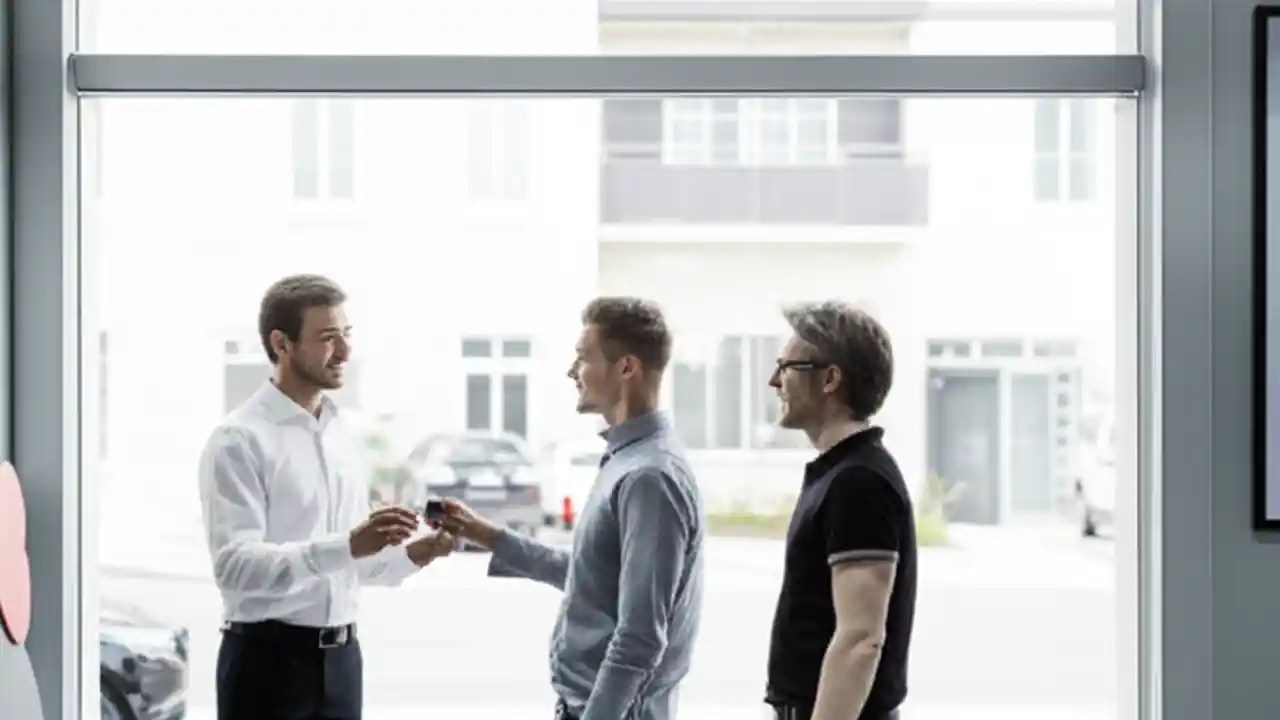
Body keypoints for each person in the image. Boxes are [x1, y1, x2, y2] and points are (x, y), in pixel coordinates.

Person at [198, 274, 456, 720]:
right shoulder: (238, 441)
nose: (345, 352)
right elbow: (235, 569)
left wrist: (416, 554)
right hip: (267, 667)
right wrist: (348, 545)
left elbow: (349, 567)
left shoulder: (340, 438)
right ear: (281, 344)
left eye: (347, 335)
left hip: (342, 663)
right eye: (327, 337)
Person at [438, 297, 705, 720]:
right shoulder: (626, 459)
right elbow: (594, 578)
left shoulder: (650, 476)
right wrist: (485, 534)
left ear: (626, 368)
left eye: (582, 358)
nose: (571, 372)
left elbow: (639, 637)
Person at [763, 301, 917, 720]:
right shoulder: (839, 473)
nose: (773, 381)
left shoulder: (859, 483)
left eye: (787, 367)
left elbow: (861, 639)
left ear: (830, 378)